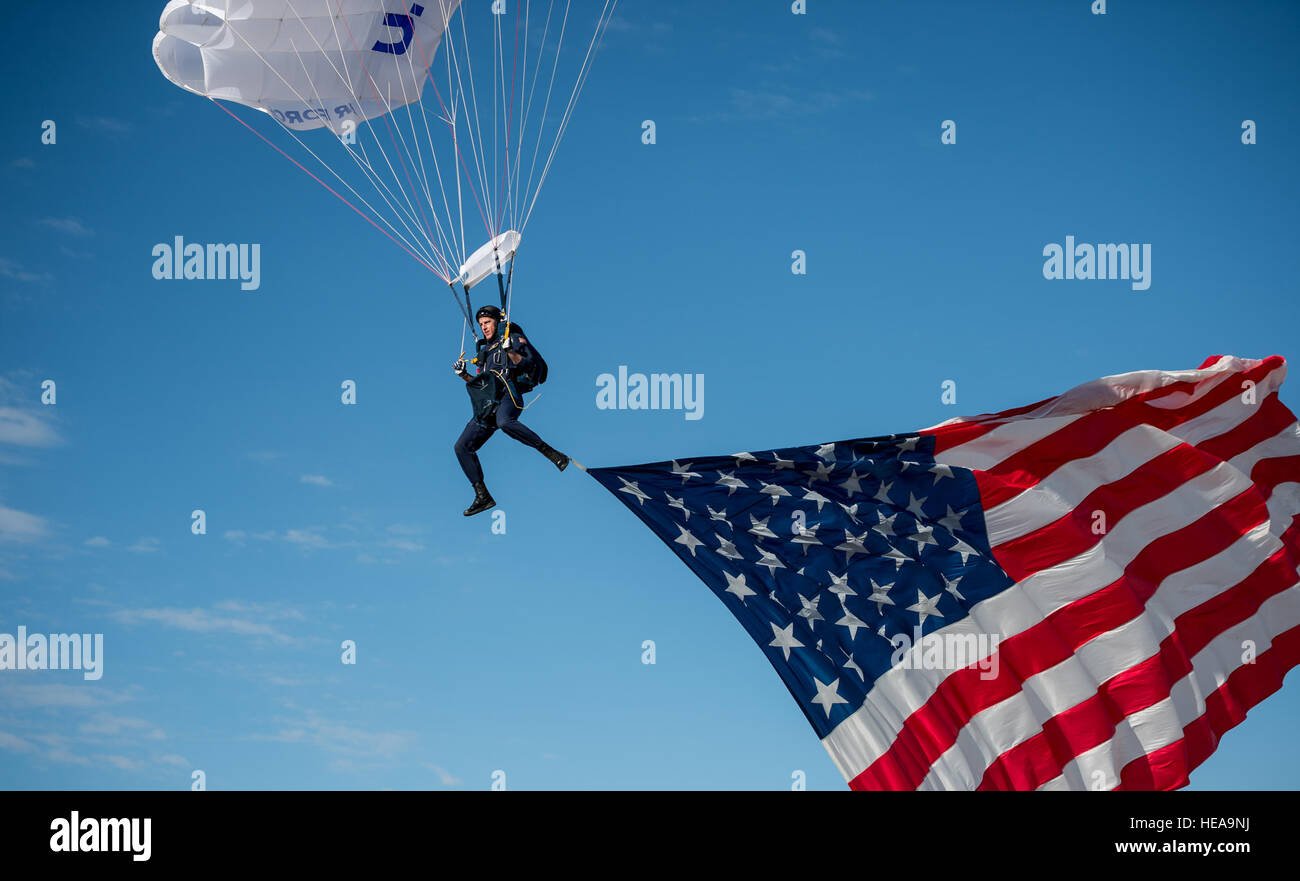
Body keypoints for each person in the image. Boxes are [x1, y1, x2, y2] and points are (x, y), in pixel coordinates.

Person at [453, 305, 569, 516]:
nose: (484, 327)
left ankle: (552, 453)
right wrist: (464, 375)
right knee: (462, 446)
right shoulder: (484, 351)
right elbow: (482, 384)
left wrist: (510, 351)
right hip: (488, 404)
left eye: (487, 322)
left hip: (508, 395)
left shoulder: (511, 338)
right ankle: (482, 496)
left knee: (505, 422)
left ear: (496, 322)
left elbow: (528, 364)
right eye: (481, 324)